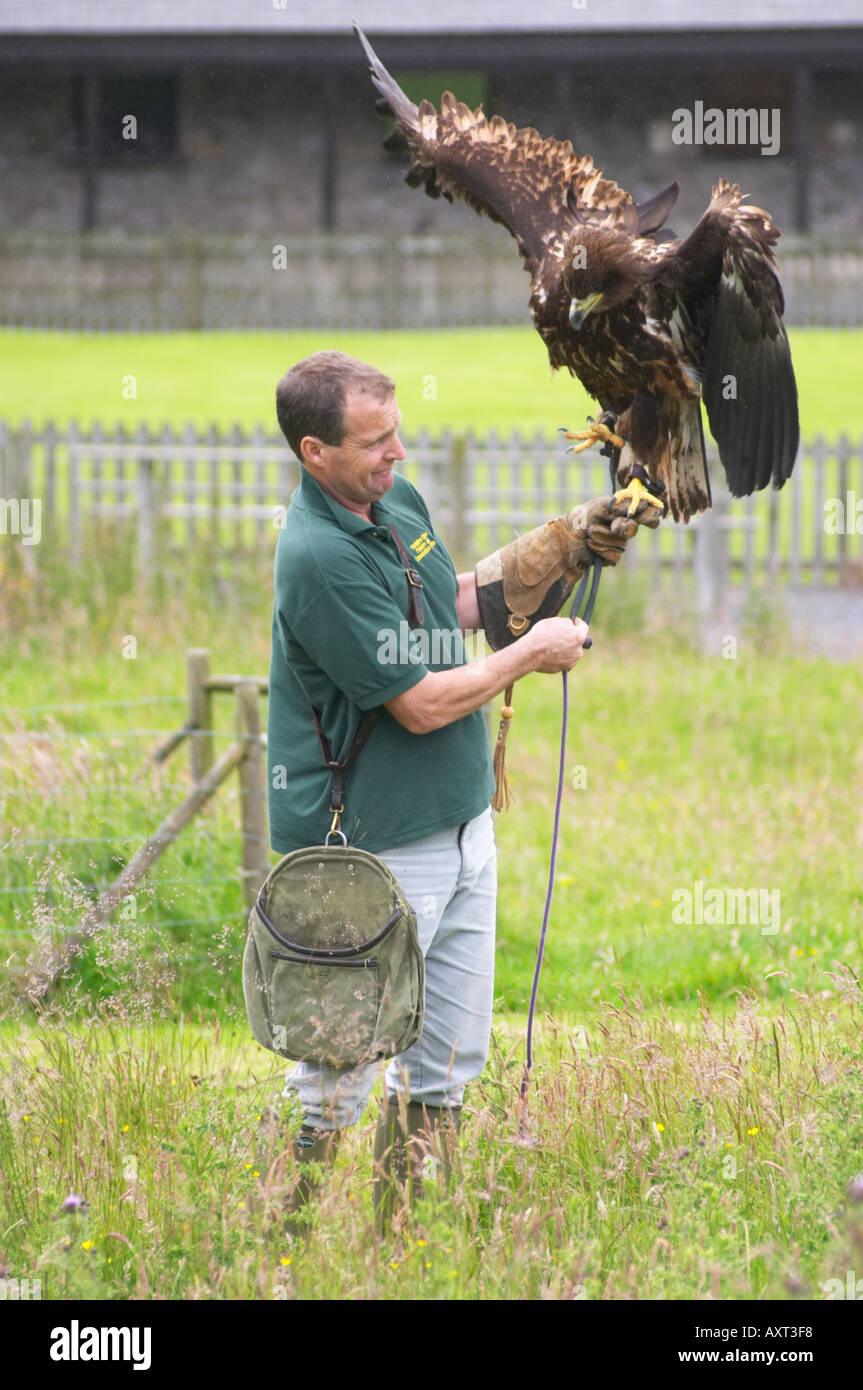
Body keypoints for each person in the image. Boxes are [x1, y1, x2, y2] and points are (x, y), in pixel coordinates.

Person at [265, 349, 657, 1227]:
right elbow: (419, 701)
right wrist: (531, 651)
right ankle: (271, 1248)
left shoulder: (391, 503)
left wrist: (557, 541)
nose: (396, 453)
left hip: (457, 826)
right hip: (371, 844)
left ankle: (396, 1247)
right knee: (337, 1069)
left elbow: (441, 603)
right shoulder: (318, 557)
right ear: (312, 452)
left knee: (442, 1068)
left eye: (397, 431)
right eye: (372, 442)